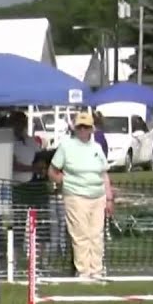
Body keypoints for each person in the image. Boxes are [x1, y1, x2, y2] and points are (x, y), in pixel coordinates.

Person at [48, 111, 114, 280]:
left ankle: (97, 271)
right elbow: (53, 171)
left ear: (92, 129)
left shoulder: (97, 147)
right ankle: (84, 272)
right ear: (75, 128)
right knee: (81, 235)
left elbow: (104, 174)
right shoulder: (66, 146)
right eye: (80, 127)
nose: (83, 130)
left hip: (97, 196)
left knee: (96, 235)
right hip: (75, 196)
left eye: (86, 127)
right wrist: (66, 182)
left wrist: (109, 198)